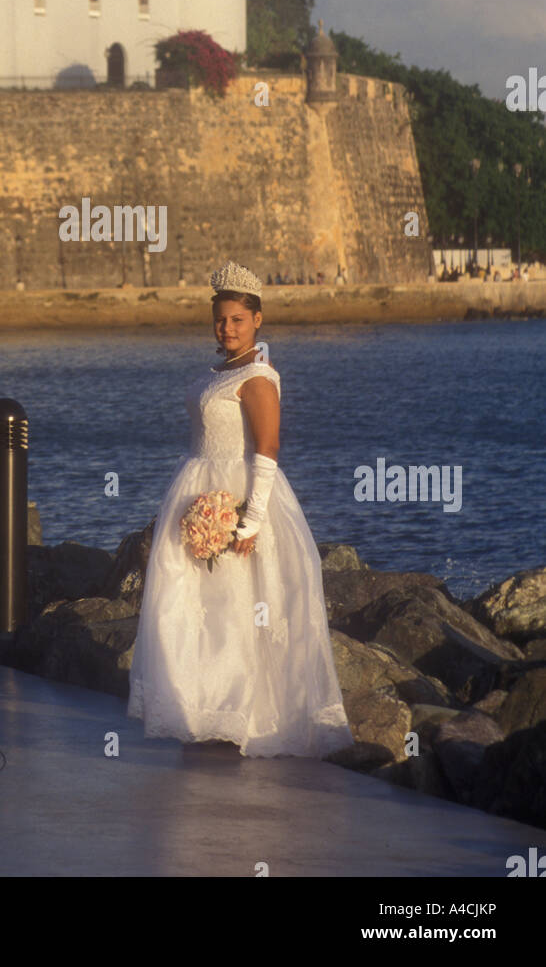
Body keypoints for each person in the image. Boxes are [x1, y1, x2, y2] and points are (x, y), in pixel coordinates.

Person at [127, 259, 353, 758]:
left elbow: (268, 448)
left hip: (239, 494)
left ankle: (244, 717)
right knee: (191, 610)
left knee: (236, 610)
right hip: (196, 488)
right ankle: (202, 711)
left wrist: (248, 520)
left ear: (257, 321)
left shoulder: (257, 375)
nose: (227, 328)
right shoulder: (218, 371)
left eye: (237, 320)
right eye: (220, 319)